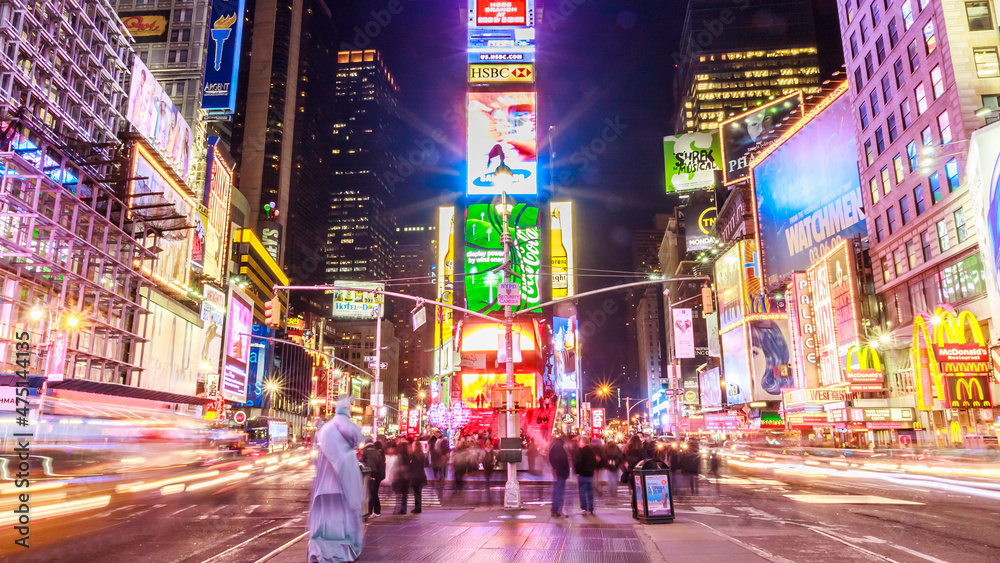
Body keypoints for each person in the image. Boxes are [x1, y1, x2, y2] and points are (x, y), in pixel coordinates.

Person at [307, 396, 364, 563]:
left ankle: (320, 551)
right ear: (347, 409)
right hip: (343, 483)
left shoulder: (326, 429)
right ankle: (342, 551)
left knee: (324, 519)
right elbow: (357, 440)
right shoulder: (349, 426)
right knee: (344, 518)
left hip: (324, 485)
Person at [574, 437, 598, 515]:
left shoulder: (580, 451)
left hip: (582, 474)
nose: (579, 443)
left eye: (580, 441)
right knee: (590, 492)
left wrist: (577, 472)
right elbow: (594, 462)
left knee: (582, 492)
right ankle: (591, 508)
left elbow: (578, 463)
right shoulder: (592, 451)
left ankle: (584, 508)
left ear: (584, 442)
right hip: (590, 474)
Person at [362, 441, 385, 518]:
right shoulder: (377, 452)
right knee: (375, 493)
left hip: (371, 475)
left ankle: (370, 511)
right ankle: (377, 511)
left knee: (371, 493)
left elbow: (364, 463)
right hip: (378, 475)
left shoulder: (366, 452)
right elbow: (380, 463)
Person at [548, 435, 569, 517]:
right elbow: (563, 461)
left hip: (557, 472)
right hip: (561, 473)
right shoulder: (560, 448)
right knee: (559, 492)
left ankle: (554, 510)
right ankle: (558, 511)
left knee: (556, 492)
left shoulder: (554, 446)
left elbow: (551, 457)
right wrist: (566, 472)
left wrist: (554, 467)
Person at [623, 435, 644, 515]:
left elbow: (625, 459)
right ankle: (639, 509)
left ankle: (634, 509)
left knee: (634, 492)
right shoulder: (641, 450)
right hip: (639, 473)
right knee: (639, 492)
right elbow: (645, 459)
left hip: (631, 473)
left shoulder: (627, 450)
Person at [406, 442, 428, 514]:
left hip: (415, 476)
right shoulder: (422, 455)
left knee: (416, 493)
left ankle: (417, 508)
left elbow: (412, 466)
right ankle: (418, 507)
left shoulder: (414, 455)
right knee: (418, 492)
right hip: (421, 475)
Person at [393, 439, 412, 514]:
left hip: (400, 477)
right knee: (405, 493)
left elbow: (397, 466)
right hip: (407, 477)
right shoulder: (409, 456)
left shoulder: (399, 456)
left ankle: (398, 508)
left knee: (398, 494)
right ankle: (403, 508)